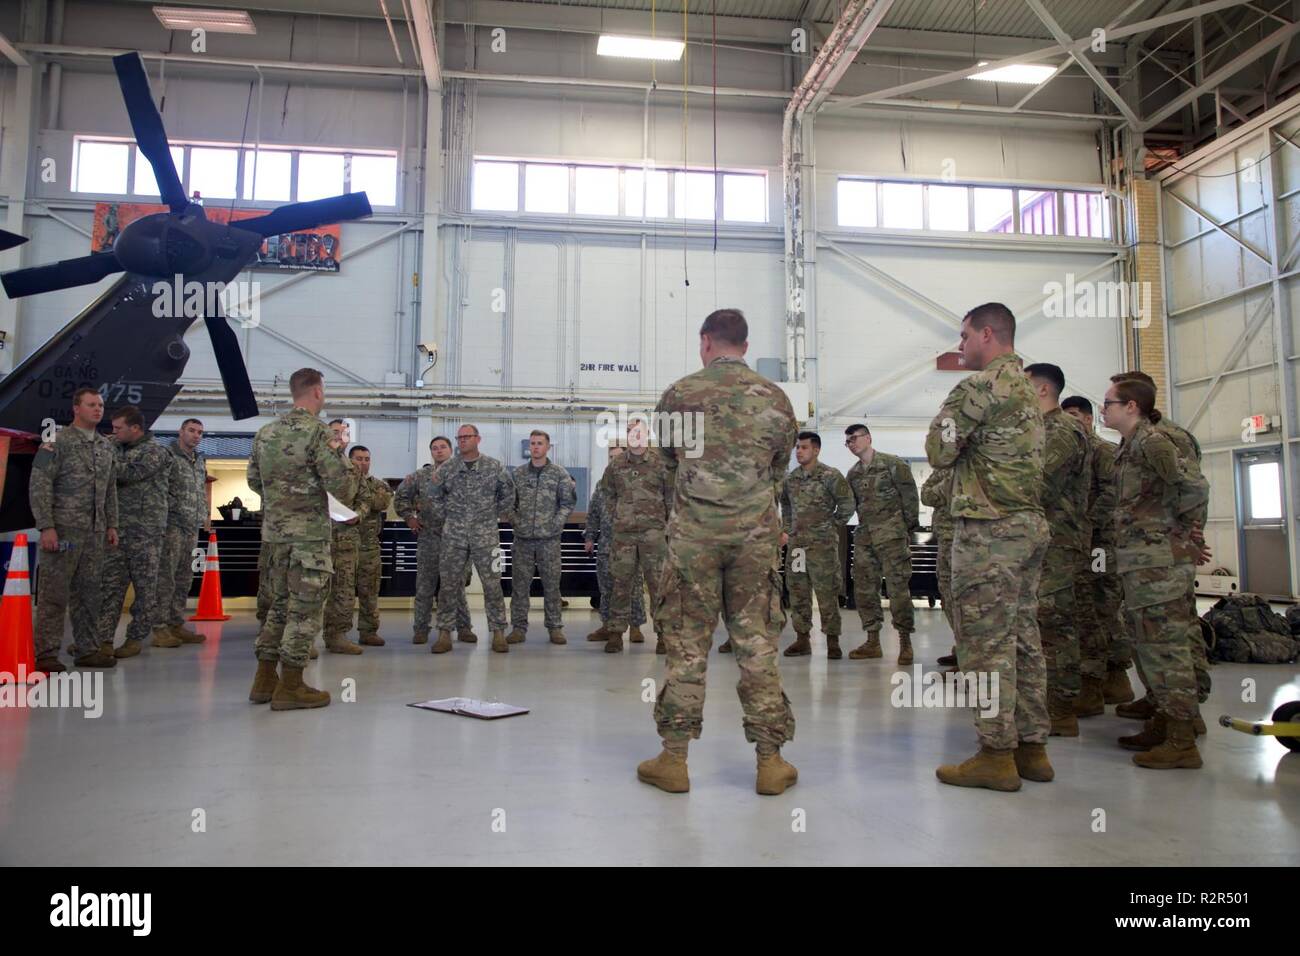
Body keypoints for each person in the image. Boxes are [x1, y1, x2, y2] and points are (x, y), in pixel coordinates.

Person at [637, 308, 799, 796]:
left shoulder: (681, 395)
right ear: (745, 346)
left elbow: (666, 460)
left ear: (705, 341)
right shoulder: (775, 398)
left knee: (687, 646)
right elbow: (779, 465)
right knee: (757, 647)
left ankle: (675, 759)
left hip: (694, 541)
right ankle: (770, 763)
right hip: (754, 541)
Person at [925, 303, 1050, 792]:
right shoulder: (1026, 389)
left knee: (984, 645)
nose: (960, 347)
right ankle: (1033, 749)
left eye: (964, 336)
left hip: (989, 531)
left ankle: (997, 754)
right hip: (1028, 527)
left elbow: (938, 449)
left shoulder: (979, 387)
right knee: (1023, 639)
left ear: (988, 333)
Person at [1101, 377, 1209, 769]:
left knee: (1167, 649)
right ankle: (1165, 719)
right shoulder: (1129, 447)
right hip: (1141, 563)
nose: (1103, 409)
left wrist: (1185, 531)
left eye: (1109, 403)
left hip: (1159, 563)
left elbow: (1195, 487)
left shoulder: (1154, 442)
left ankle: (1182, 739)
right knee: (1147, 645)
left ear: (1132, 406)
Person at [246, 368, 354, 710]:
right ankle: (291, 685)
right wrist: (340, 453)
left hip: (275, 538)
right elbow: (344, 487)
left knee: (277, 607)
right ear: (318, 392)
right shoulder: (319, 434)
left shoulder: (266, 433)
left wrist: (283, 498)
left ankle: (264, 680)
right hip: (309, 539)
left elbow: (253, 481)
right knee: (305, 611)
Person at [29, 388, 119, 671]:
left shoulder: (106, 446)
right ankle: (45, 654)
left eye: (101, 405)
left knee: (90, 593)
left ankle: (87, 650)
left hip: (95, 532)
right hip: (63, 531)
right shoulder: (55, 441)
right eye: (91, 404)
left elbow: (110, 489)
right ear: (76, 409)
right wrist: (46, 526)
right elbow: (39, 484)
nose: (98, 409)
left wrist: (112, 524)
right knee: (54, 594)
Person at [1024, 363, 1091, 737]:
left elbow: (1040, 484)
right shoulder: (1039, 430)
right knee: (1043, 622)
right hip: (1042, 540)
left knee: (1056, 624)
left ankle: (1063, 708)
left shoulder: (1063, 431)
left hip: (1060, 540)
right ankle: (1048, 700)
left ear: (1043, 389)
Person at [1061, 395, 1132, 710]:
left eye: (1075, 415)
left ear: (1089, 418)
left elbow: (1113, 495)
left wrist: (1086, 522)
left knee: (1101, 607)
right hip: (1076, 543)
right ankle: (1096, 678)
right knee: (1082, 608)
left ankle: (1110, 678)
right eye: (1066, 417)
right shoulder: (1070, 452)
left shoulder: (1103, 452)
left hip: (1100, 543)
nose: (1070, 422)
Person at [96, 405, 173, 659]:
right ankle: (103, 639)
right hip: (117, 530)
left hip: (146, 532)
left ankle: (135, 638)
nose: (113, 432)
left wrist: (101, 454)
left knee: (145, 589)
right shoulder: (115, 447)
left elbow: (129, 473)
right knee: (110, 587)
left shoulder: (156, 452)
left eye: (119, 428)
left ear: (136, 428)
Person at [430, 424, 514, 653]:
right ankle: (445, 633)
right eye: (459, 438)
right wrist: (447, 518)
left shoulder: (494, 466)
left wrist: (491, 515)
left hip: (486, 535)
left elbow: (508, 494)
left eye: (467, 437)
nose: (462, 441)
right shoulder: (447, 468)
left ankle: (498, 632)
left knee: (492, 584)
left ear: (478, 439)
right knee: (448, 585)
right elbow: (434, 496)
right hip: (453, 536)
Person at [842, 423, 919, 664]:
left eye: (854, 439)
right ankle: (872, 641)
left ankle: (905, 642)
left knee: (898, 590)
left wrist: (906, 528)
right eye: (848, 441)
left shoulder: (893, 465)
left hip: (892, 536)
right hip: (865, 538)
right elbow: (852, 506)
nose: (852, 444)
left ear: (868, 438)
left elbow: (910, 497)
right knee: (865, 589)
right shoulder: (853, 474)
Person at [602, 418, 674, 654]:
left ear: (646, 434)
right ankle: (615, 633)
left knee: (658, 586)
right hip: (624, 535)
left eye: (638, 431)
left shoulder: (660, 463)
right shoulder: (616, 465)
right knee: (620, 584)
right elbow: (608, 494)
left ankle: (664, 635)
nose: (635, 435)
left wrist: (668, 526)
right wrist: (617, 515)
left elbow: (671, 497)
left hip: (653, 535)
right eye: (630, 432)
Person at [780, 432, 854, 660]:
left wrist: (832, 525)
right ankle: (802, 639)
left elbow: (847, 503)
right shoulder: (791, 479)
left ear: (816, 450)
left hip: (822, 546)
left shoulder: (830, 476)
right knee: (798, 591)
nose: (799, 451)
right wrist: (788, 529)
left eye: (803, 447)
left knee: (827, 592)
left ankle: (832, 641)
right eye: (797, 448)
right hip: (798, 547)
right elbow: (786, 506)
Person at [395, 437, 473, 643]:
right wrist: (409, 517)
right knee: (425, 586)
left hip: (457, 539)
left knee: (455, 587)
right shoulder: (420, 476)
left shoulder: (463, 474)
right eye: (435, 448)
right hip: (429, 538)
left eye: (443, 447)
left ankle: (464, 628)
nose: (439, 451)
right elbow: (400, 496)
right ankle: (421, 629)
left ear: (451, 450)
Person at [508, 430, 576, 646]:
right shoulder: (517, 474)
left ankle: (555, 628)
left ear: (548, 447)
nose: (535, 447)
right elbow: (508, 502)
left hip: (549, 541)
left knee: (552, 586)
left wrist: (556, 524)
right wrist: (516, 521)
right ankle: (518, 628)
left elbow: (567, 503)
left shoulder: (559, 474)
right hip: (523, 540)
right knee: (519, 586)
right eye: (533, 443)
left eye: (539, 443)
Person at [585, 446, 649, 646]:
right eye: (611, 457)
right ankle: (608, 626)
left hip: (631, 544)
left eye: (617, 457)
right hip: (606, 544)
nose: (614, 460)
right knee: (606, 588)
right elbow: (594, 512)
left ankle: (636, 627)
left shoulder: (635, 483)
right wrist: (589, 537)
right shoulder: (602, 485)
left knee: (634, 588)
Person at [155, 418, 211, 647]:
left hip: (191, 526)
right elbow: (159, 489)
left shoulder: (199, 459)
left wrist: (204, 514)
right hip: (171, 526)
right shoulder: (167, 456)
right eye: (191, 430)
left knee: (183, 578)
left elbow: (200, 489)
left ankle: (175, 623)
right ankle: (159, 627)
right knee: (165, 578)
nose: (196, 435)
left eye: (199, 432)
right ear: (181, 432)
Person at [321, 419, 368, 655]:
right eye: (335, 432)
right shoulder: (313, 462)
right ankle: (304, 640)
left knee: (344, 590)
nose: (340, 436)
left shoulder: (353, 468)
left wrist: (357, 515)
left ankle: (337, 635)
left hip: (346, 538)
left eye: (344, 432)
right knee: (311, 589)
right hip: (317, 536)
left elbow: (364, 498)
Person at [350, 445, 393, 646]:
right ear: (350, 461)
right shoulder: (339, 483)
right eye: (358, 459)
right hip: (343, 546)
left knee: (369, 592)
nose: (363, 462)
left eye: (367, 459)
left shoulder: (379, 485)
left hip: (369, 547)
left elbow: (380, 503)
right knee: (340, 593)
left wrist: (357, 495)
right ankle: (335, 633)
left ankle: (368, 632)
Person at [920, 465, 957, 665]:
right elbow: (926, 495)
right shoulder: (945, 468)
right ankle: (962, 647)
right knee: (947, 593)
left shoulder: (974, 465)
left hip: (965, 539)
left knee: (964, 597)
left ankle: (970, 654)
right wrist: (946, 489)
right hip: (944, 539)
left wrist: (941, 490)